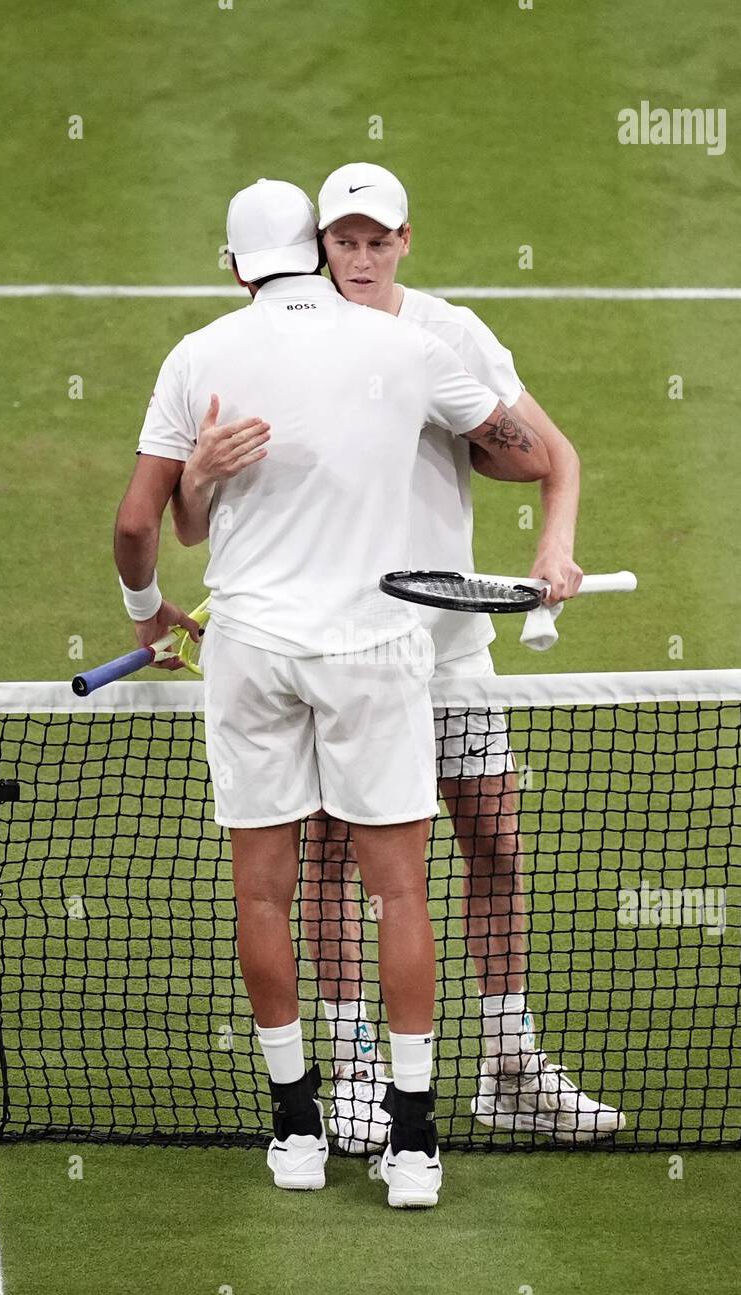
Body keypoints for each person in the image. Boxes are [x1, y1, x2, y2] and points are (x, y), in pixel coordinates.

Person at [113, 178, 550, 1207]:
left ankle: (299, 1125)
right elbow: (523, 451)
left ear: (232, 266)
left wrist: (147, 615)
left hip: (251, 650)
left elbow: (144, 528)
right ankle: (411, 1142)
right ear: (317, 251)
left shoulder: (198, 356)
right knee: (401, 888)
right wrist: (468, 433)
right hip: (373, 649)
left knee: (265, 885)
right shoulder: (404, 348)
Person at [301, 162, 626, 1149]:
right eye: (342, 240)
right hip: (337, 650)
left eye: (376, 240)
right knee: (332, 853)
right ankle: (355, 1065)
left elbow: (549, 455)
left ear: (406, 240)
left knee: (493, 843)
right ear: (320, 247)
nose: (359, 257)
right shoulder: (292, 343)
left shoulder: (449, 335)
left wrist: (553, 546)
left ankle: (510, 1063)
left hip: (449, 651)